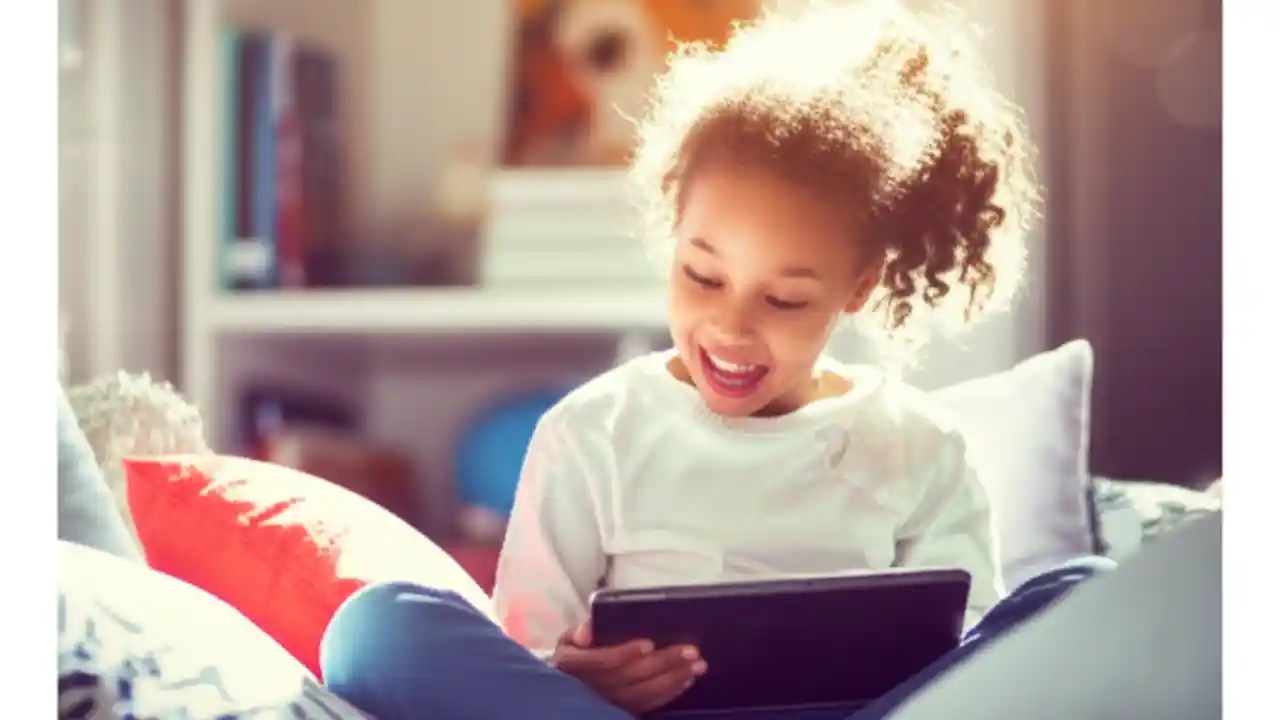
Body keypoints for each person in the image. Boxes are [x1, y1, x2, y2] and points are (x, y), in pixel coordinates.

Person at [321, 1, 1088, 717]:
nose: (731, 327)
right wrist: (577, 676)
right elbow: (522, 654)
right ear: (672, 239)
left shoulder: (920, 447)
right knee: (376, 629)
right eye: (703, 276)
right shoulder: (592, 433)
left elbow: (975, 663)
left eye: (784, 299)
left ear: (856, 289)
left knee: (1079, 593)